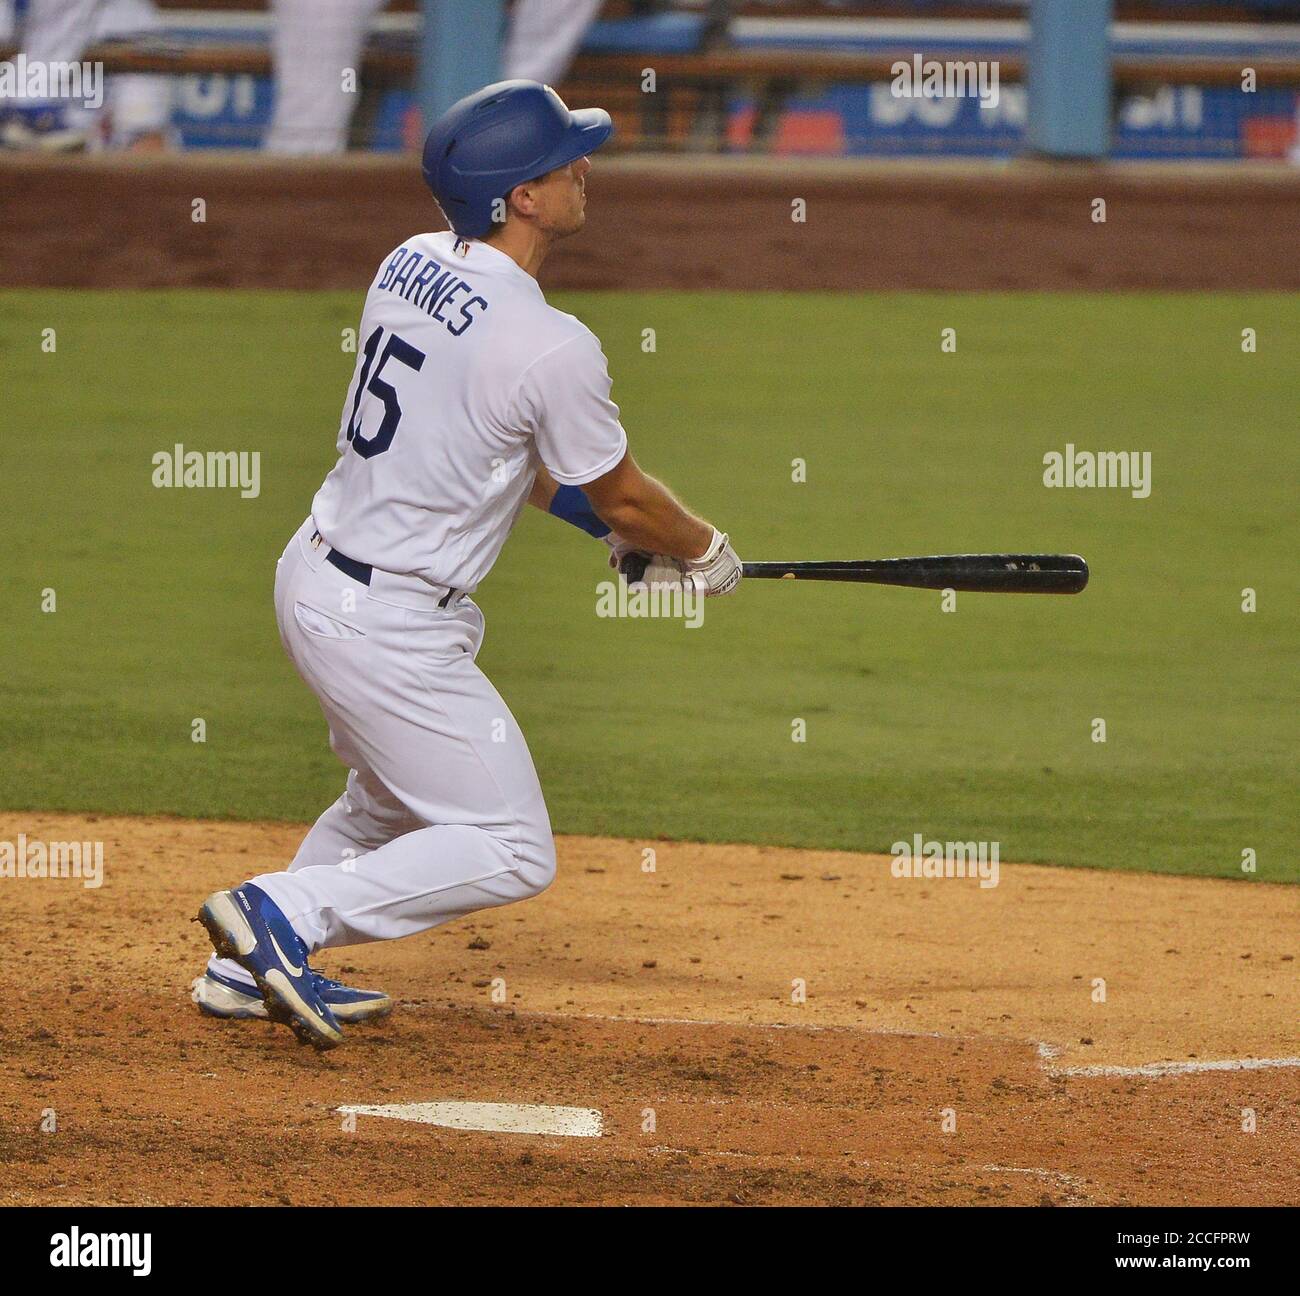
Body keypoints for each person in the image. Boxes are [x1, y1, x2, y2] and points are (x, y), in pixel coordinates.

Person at [194, 79, 742, 1049]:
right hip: (386, 625)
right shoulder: (550, 344)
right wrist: (700, 550)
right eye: (563, 157)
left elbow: (502, 460)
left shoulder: (406, 264)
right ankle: (277, 915)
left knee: (387, 801)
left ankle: (242, 972)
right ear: (520, 198)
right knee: (514, 849)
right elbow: (621, 489)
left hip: (319, 577)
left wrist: (612, 538)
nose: (583, 168)